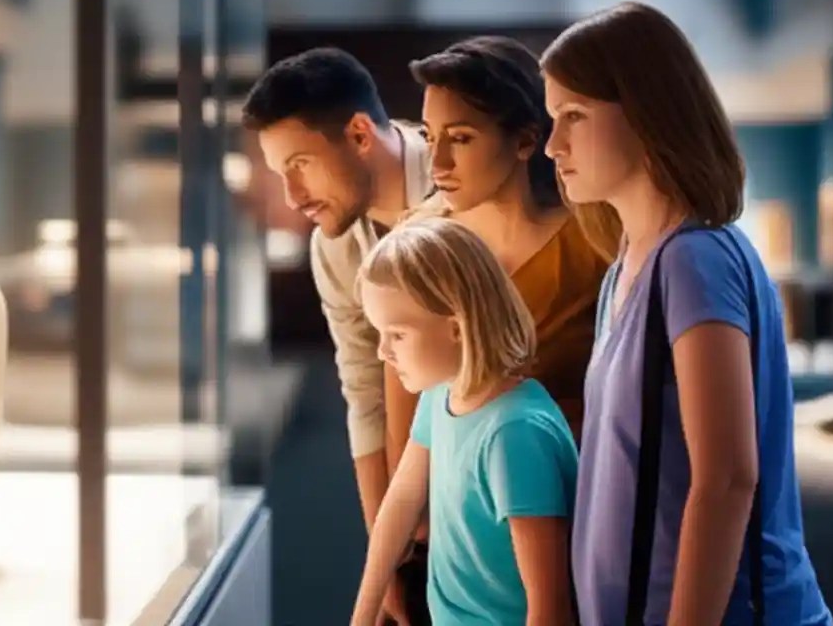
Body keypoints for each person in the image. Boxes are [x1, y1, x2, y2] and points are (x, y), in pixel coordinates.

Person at [542, 1, 832, 625]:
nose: (551, 145)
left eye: (574, 116)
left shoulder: (693, 259)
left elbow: (728, 478)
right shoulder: (625, 269)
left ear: (646, 112)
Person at [243, 47, 434, 624]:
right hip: (414, 498)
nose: (294, 196)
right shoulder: (333, 248)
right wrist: (388, 558)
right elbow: (363, 389)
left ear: (358, 134)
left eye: (300, 163)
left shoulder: (461, 185)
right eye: (281, 174)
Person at [350, 217, 578, 626]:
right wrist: (362, 617)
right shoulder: (441, 395)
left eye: (397, 334)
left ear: (456, 328)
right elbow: (399, 506)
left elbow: (550, 607)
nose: (383, 351)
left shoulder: (515, 435)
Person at [402, 35, 610, 439]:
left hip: (573, 485)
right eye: (429, 137)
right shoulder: (420, 245)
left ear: (525, 140)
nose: (438, 162)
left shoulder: (594, 243)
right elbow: (407, 417)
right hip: (456, 489)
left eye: (461, 138)